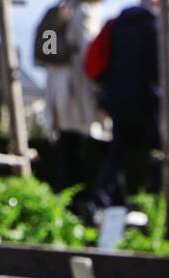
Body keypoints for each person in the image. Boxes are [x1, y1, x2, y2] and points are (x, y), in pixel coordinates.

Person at [92, 0, 161, 209]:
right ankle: (157, 198)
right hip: (144, 98)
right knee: (157, 149)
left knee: (118, 151)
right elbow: (156, 65)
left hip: (118, 98)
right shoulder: (154, 26)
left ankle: (104, 198)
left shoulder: (117, 25)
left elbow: (106, 62)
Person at [40, 0, 109, 208]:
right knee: (83, 151)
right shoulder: (83, 14)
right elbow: (89, 57)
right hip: (76, 94)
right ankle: (83, 204)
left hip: (60, 95)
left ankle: (67, 203)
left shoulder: (61, 12)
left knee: (67, 151)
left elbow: (47, 52)